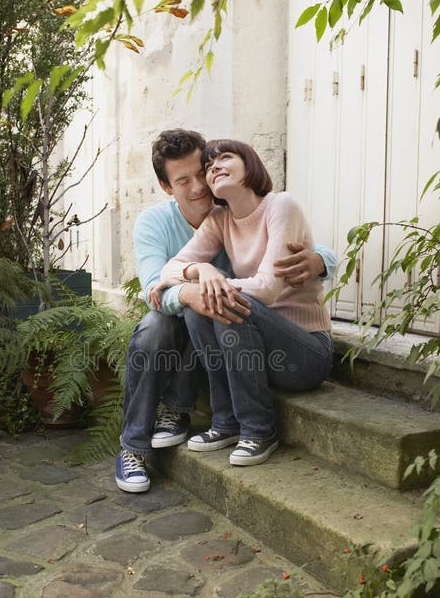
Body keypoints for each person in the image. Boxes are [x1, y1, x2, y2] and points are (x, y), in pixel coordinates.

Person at [115, 129, 337, 492]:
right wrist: (198, 275)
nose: (199, 185)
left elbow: (280, 270)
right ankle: (136, 445)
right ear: (166, 187)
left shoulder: (271, 206)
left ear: (248, 164)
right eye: (183, 180)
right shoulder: (189, 222)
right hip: (224, 331)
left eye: (203, 171)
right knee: (165, 323)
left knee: (220, 304)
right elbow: (158, 286)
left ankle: (246, 425)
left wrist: (321, 261)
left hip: (285, 338)